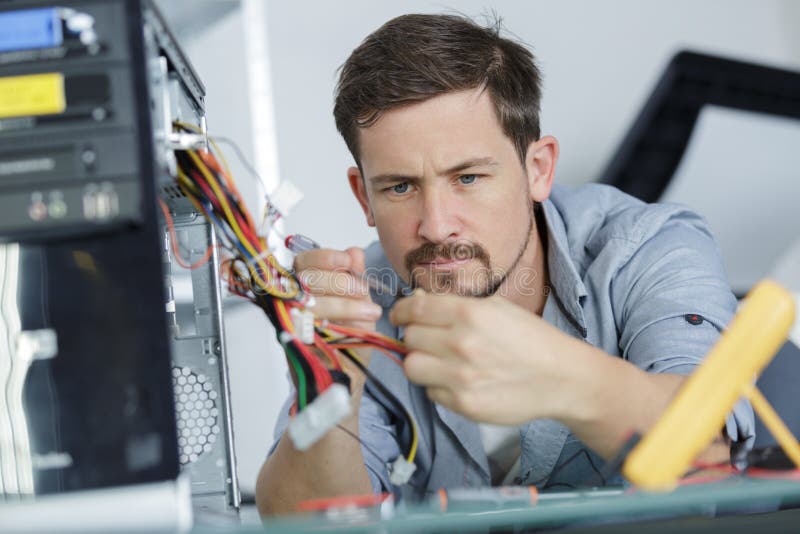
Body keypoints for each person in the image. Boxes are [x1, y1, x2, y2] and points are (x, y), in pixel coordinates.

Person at [255, 13, 754, 515]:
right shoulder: (359, 306)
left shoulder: (647, 248)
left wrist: (562, 375)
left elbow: (708, 454)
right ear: (364, 197)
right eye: (400, 187)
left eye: (468, 178)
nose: (435, 225)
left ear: (537, 170)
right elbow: (304, 519)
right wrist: (331, 379)